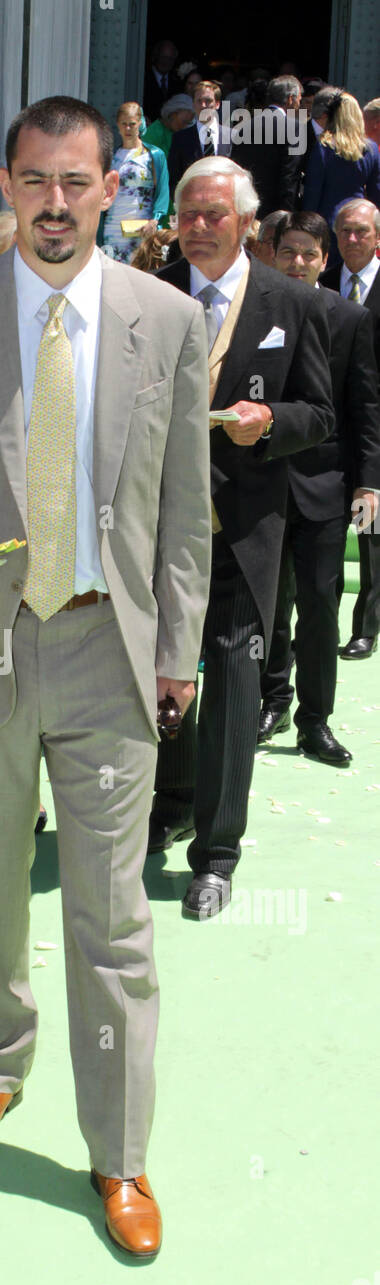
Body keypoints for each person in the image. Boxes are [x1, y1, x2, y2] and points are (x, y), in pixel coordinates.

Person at [0, 95, 213, 1258]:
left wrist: (177, 650)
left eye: (78, 183)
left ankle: (119, 1154)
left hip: (110, 656)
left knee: (115, 926)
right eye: (34, 181)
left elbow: (182, 508)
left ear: (113, 189)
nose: (55, 205)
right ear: (5, 185)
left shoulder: (164, 322)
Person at [150, 157, 335, 920]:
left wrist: (272, 424)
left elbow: (320, 415)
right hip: (153, 530)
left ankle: (217, 852)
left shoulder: (292, 305)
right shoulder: (144, 296)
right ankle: (173, 801)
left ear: (247, 225)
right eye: (187, 213)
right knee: (153, 680)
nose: (197, 227)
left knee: (230, 682)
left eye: (214, 215)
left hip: (244, 529)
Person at [259, 211, 380, 762]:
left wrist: (369, 484)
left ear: (324, 260)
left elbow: (365, 406)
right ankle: (272, 700)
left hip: (328, 488)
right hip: (261, 485)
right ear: (273, 256)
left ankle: (315, 721)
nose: (299, 263)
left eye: (309, 253)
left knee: (318, 607)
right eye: (289, 252)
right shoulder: (253, 311)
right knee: (266, 607)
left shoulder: (351, 318)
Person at [320, 198, 380, 659]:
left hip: (373, 438)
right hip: (331, 431)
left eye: (361, 231)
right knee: (330, 533)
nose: (352, 239)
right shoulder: (321, 286)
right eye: (345, 231)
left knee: (371, 532)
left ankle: (366, 626)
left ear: (377, 236)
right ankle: (322, 627)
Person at [303, 91, 380, 267]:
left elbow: (313, 192)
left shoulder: (323, 147)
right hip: (360, 220)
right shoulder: (371, 149)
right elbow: (376, 194)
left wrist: (307, 225)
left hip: (328, 221)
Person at [100, 102, 169, 263]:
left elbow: (162, 191)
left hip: (143, 226)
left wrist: (155, 219)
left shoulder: (154, 155)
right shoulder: (111, 157)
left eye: (132, 124)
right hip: (113, 227)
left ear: (140, 123)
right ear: (117, 125)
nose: (128, 129)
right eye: (124, 124)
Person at [232, 77, 303, 219]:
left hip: (247, 209)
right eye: (299, 99)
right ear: (290, 99)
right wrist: (287, 216)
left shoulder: (245, 127)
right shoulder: (294, 127)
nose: (299, 104)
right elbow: (289, 177)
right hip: (276, 212)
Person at [168, 83, 232, 195]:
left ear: (217, 104)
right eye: (199, 101)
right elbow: (173, 179)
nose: (203, 105)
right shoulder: (180, 139)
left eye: (208, 101)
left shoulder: (232, 136)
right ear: (193, 104)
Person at [143, 93, 194, 159]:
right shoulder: (153, 133)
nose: (184, 126)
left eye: (188, 123)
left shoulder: (180, 135)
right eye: (183, 122)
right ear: (172, 114)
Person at [143, 39, 181, 123]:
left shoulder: (177, 82)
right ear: (156, 56)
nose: (166, 62)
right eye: (163, 57)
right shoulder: (143, 78)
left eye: (170, 59)